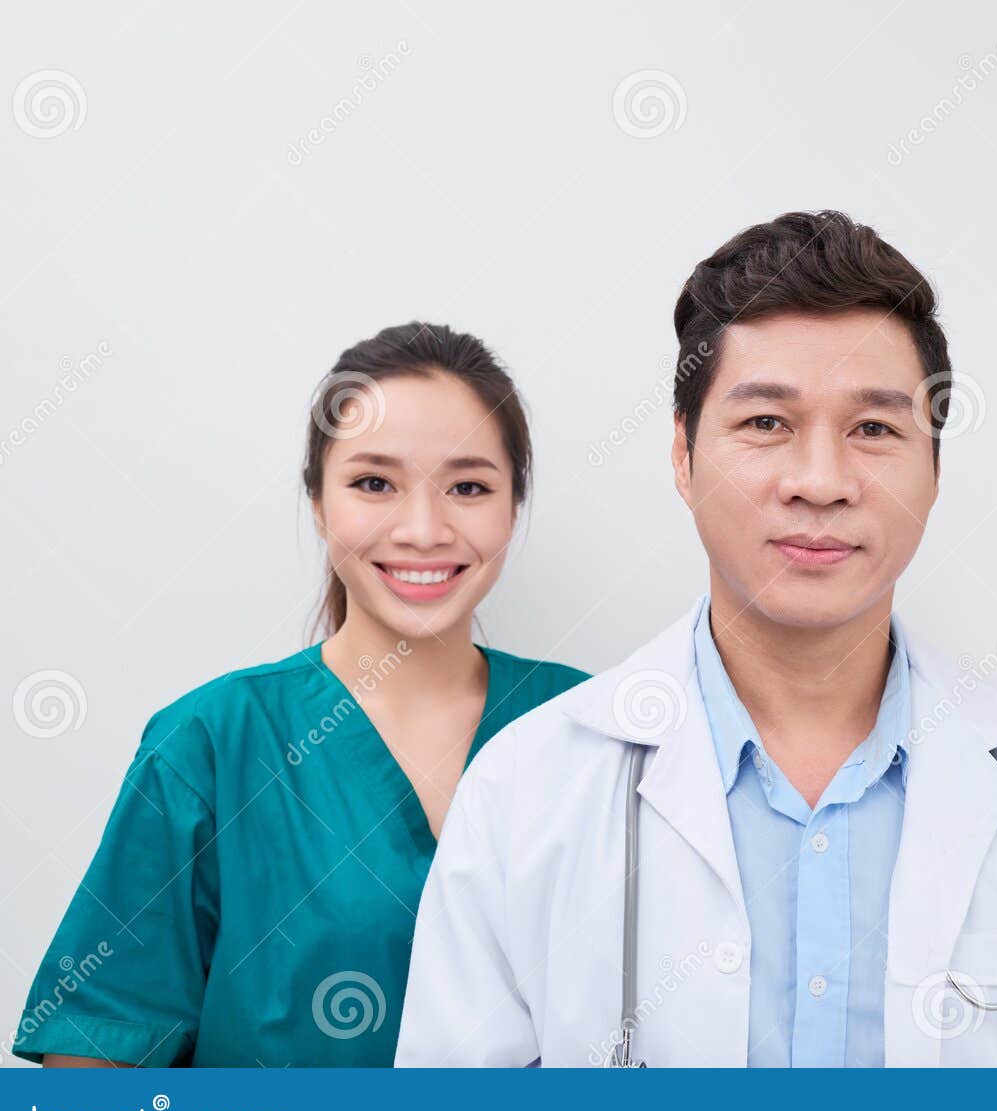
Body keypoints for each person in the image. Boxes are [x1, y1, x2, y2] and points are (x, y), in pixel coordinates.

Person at [395, 211, 997, 1067]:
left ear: (936, 469)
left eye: (874, 429)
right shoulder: (529, 789)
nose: (820, 482)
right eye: (766, 423)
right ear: (683, 456)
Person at [11, 323, 587, 1067]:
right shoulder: (211, 744)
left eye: (469, 487)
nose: (422, 529)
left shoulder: (590, 728)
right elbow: (96, 1056)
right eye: (374, 483)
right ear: (319, 503)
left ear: (513, 507)